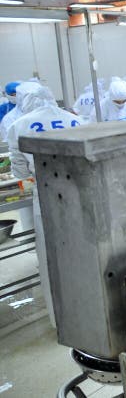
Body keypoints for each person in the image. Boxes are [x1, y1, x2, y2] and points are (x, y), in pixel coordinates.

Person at [7, 84, 82, 325]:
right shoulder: (75, 120)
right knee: (84, 252)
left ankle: (60, 320)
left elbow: (19, 170)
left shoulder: (18, 125)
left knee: (52, 258)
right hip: (83, 195)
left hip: (48, 197)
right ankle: (88, 313)